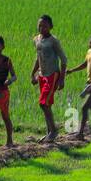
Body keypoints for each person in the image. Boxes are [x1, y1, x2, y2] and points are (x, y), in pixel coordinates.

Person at [30, 15, 67, 143]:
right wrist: (33, 73)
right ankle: (49, 133)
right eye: (40, 25)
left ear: (51, 27)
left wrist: (62, 79)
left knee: (43, 103)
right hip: (42, 75)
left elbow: (64, 60)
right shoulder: (36, 39)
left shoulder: (53, 41)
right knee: (47, 104)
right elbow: (38, 57)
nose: (42, 28)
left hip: (52, 75)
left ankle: (53, 131)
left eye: (45, 26)